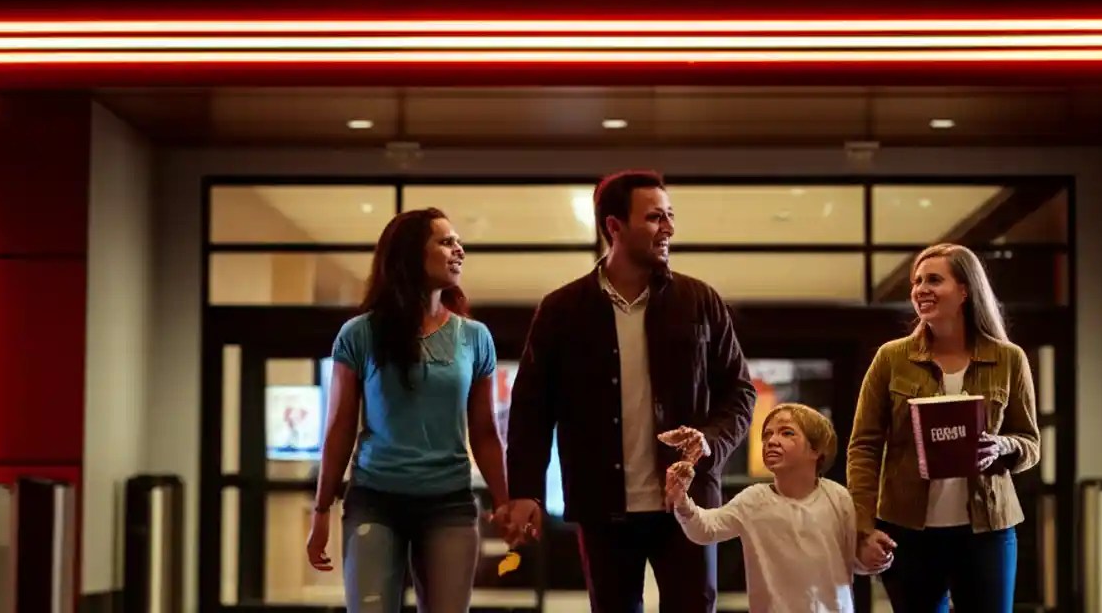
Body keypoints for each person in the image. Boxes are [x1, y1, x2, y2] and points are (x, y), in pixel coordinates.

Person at [499, 169, 757, 613]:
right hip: (601, 506)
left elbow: (740, 392)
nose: (669, 229)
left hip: (688, 504)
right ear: (614, 227)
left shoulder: (700, 301)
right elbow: (530, 408)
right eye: (655, 218)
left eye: (670, 216)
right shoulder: (562, 311)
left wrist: (710, 441)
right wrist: (525, 491)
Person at [305, 208, 510, 613]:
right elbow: (340, 429)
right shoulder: (360, 334)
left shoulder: (475, 338)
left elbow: (485, 431)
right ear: (410, 254)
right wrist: (322, 509)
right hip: (375, 499)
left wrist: (504, 502)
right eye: (446, 242)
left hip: (448, 501)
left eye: (458, 241)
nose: (459, 250)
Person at [846, 243, 1041, 613]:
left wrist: (1002, 446)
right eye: (917, 281)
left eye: (934, 279)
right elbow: (864, 447)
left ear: (965, 290)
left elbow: (1031, 442)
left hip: (988, 531)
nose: (921, 289)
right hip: (907, 532)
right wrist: (863, 527)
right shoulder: (891, 357)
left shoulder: (1008, 358)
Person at [666, 403, 890, 613]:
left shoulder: (838, 498)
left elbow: (853, 559)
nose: (771, 441)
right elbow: (705, 529)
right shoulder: (753, 500)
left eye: (787, 433)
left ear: (817, 450)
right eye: (767, 435)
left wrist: (873, 556)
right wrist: (681, 499)